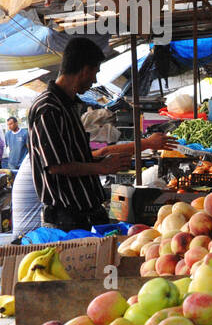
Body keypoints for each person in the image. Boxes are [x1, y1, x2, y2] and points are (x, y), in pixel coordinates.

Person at [28, 38, 173, 230]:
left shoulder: (68, 105)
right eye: (94, 73)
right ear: (84, 70)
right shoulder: (48, 108)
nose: (94, 81)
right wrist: (102, 168)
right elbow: (56, 166)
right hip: (67, 218)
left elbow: (80, 157)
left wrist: (106, 162)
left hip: (87, 211)